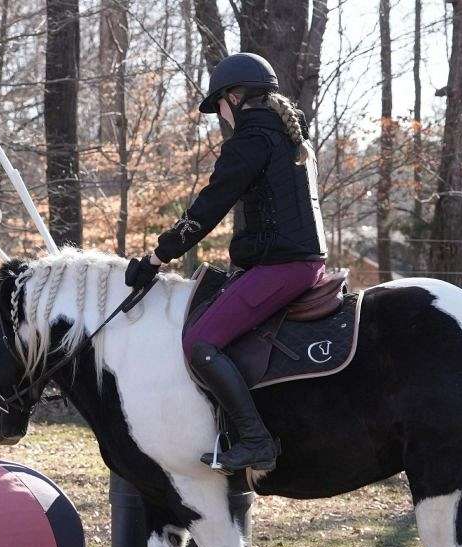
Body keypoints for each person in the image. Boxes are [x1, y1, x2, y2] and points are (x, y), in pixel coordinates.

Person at [125, 52, 327, 473]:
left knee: (200, 342)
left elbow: (208, 208)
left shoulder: (252, 141)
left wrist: (157, 257)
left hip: (282, 268)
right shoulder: (287, 136)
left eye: (218, 105)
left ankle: (256, 440)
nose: (220, 115)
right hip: (296, 263)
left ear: (234, 98)